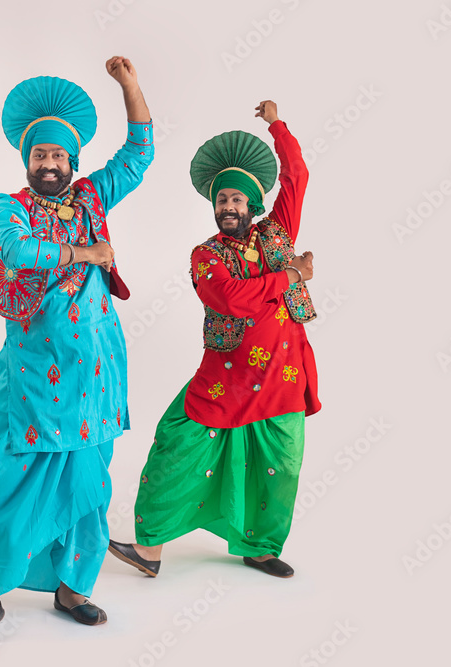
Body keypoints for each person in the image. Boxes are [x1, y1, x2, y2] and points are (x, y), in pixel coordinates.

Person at [0, 57, 154, 657]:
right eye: (40, 155)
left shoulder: (94, 195)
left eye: (59, 156)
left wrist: (129, 85)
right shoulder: (7, 206)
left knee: (87, 480)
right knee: (4, 484)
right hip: (32, 383)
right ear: (28, 162)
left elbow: (139, 154)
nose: (50, 164)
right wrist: (85, 254)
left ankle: (72, 588)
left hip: (95, 376)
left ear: (73, 162)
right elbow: (17, 252)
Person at [109, 100, 319, 580]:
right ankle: (150, 548)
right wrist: (289, 277)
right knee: (176, 446)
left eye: (237, 200)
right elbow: (229, 299)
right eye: (222, 199)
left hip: (283, 378)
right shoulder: (206, 255)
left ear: (253, 204)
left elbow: (297, 176)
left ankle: (260, 548)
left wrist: (276, 125)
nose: (228, 206)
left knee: (280, 467)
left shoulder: (278, 232)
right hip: (227, 380)